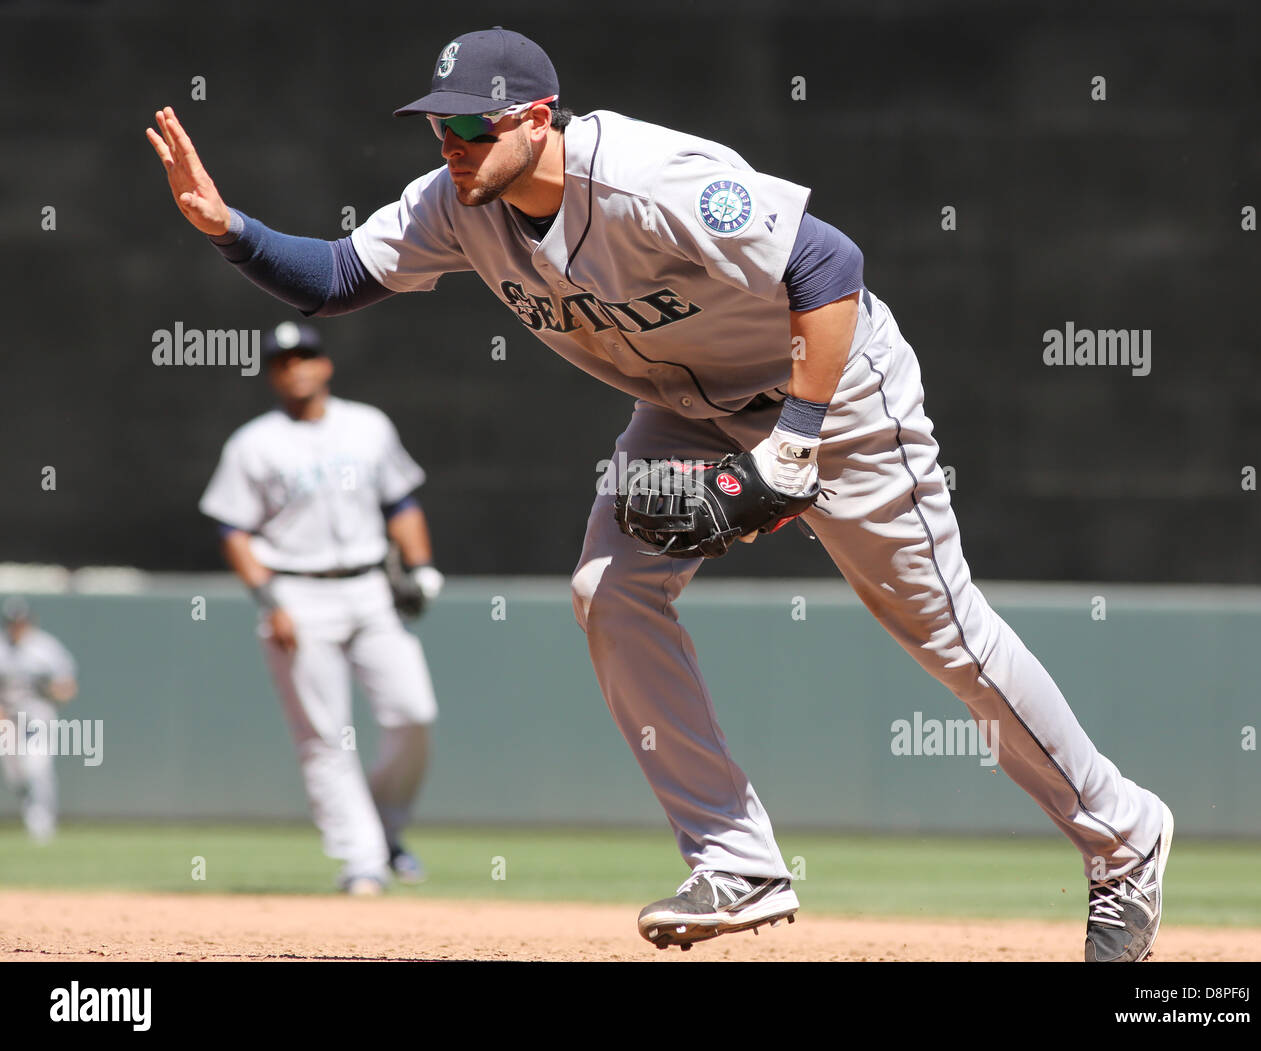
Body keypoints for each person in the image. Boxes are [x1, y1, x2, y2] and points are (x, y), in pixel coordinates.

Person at [148, 27, 1172, 958]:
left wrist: (795, 445)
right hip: (683, 406)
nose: (449, 143)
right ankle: (738, 860)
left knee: (942, 634)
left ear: (536, 118)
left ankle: (1123, 836)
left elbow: (829, 263)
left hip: (833, 391)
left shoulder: (648, 180)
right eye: (436, 126)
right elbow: (332, 275)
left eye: (469, 123)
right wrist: (226, 225)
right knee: (609, 589)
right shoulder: (452, 210)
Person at [198, 321, 444, 895]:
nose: (296, 367)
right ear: (271, 375)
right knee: (324, 735)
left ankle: (384, 832)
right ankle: (360, 859)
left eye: (304, 356)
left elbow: (401, 501)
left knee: (414, 713)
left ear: (325, 364)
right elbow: (233, 529)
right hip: (297, 592)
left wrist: (423, 566)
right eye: (283, 361)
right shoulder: (253, 443)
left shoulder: (368, 426)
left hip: (370, 587)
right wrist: (268, 599)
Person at [0, 597, 79, 844]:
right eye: (12, 622)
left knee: (37, 766)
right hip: (7, 716)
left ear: (29, 621)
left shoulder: (45, 648)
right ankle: (33, 812)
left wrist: (55, 690)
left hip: (37, 714)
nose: (17, 626)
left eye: (21, 621)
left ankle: (41, 825)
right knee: (15, 774)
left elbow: (68, 686)